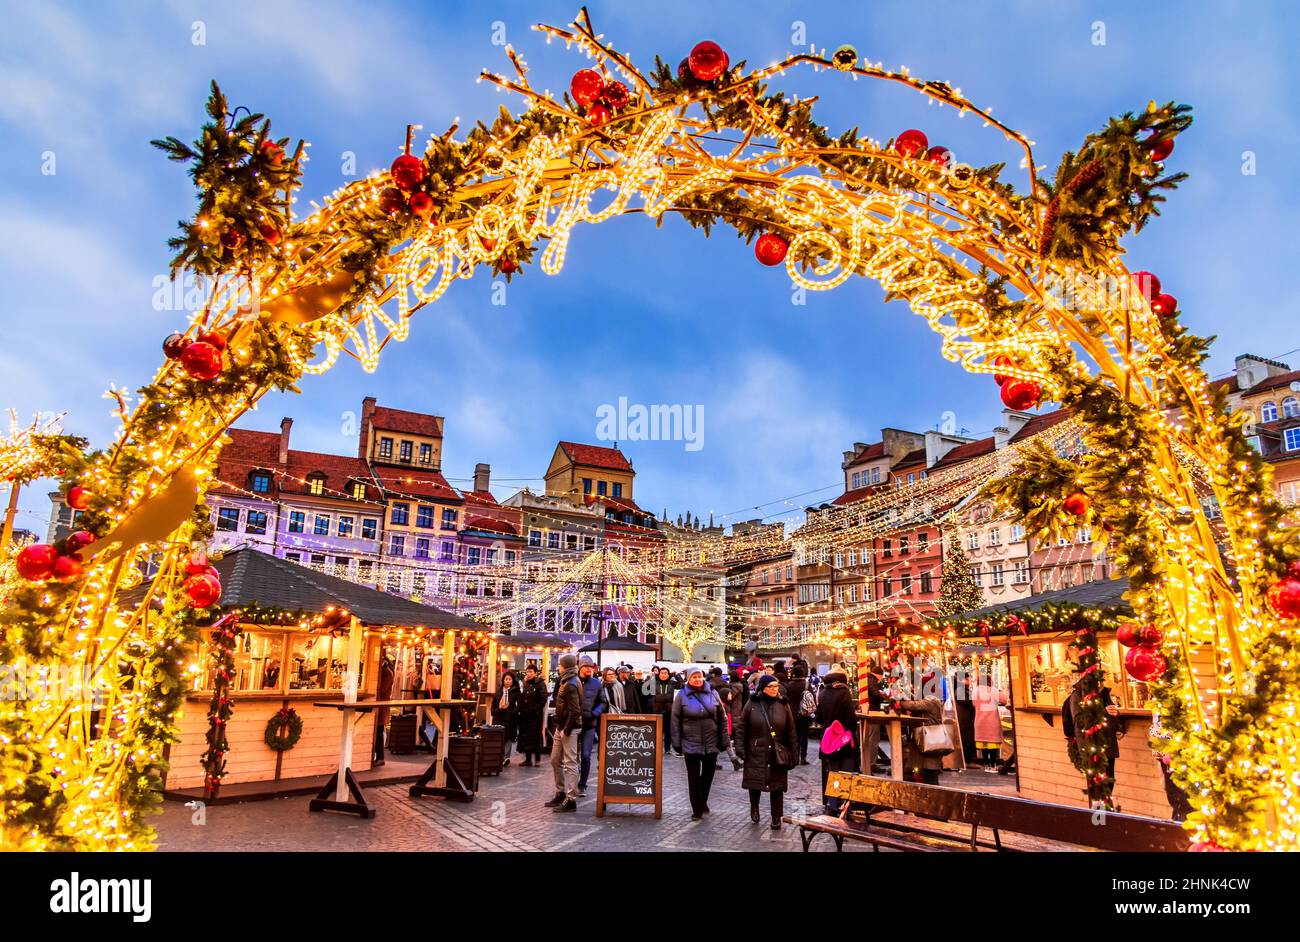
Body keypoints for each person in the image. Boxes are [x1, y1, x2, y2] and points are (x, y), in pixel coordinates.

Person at [737, 674, 798, 830]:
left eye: (776, 686)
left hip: (777, 752)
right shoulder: (753, 703)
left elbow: (791, 730)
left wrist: (794, 753)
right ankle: (754, 807)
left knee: (777, 786)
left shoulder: (783, 704)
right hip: (756, 750)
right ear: (763, 688)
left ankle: (776, 816)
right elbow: (742, 727)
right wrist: (740, 748)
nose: (774, 689)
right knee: (755, 783)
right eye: (770, 686)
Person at [671, 667, 728, 820]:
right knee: (693, 777)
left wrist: (724, 740)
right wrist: (676, 742)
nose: (697, 679)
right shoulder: (681, 695)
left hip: (711, 740)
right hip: (690, 741)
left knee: (708, 775)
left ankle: (702, 800)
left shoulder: (713, 693)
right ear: (688, 679)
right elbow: (675, 720)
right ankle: (697, 807)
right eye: (694, 677)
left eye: (699, 677)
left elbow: (722, 718)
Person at [815, 670, 858, 814]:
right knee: (846, 773)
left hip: (829, 740)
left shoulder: (823, 693)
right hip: (844, 739)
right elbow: (851, 717)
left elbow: (819, 718)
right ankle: (846, 806)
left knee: (834, 773)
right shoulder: (844, 692)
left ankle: (832, 804)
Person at [546, 653, 582, 812]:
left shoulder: (571, 684)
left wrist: (566, 729)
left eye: (560, 664)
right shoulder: (567, 680)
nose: (558, 667)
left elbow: (575, 711)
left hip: (569, 728)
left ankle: (571, 798)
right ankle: (560, 792)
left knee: (570, 762)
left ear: (565, 666)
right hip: (561, 726)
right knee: (555, 759)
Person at [897, 696, 944, 784]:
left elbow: (913, 705)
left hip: (930, 739)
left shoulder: (931, 700)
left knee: (930, 771)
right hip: (925, 738)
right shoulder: (929, 699)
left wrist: (897, 700)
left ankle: (933, 792)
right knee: (924, 770)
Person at [707, 667, 743, 771]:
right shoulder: (725, 685)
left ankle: (732, 760)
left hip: (716, 718)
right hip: (722, 718)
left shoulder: (710, 685)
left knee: (721, 739)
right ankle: (733, 760)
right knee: (723, 739)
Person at [577, 657, 603, 797]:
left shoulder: (596, 683)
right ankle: (570, 784)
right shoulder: (572, 681)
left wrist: (594, 713)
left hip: (589, 724)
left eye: (591, 666)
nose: (588, 669)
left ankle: (582, 785)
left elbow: (602, 702)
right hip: (573, 724)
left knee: (586, 755)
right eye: (586, 666)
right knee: (571, 757)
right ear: (580, 667)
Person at [972, 671, 1008, 766]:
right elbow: (1005, 700)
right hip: (992, 722)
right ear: (989, 681)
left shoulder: (975, 691)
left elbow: (974, 704)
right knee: (992, 744)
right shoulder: (993, 690)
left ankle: (986, 765)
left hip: (979, 721)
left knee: (984, 745)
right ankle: (993, 764)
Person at [516, 665, 548, 767]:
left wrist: (536, 708)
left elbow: (543, 699)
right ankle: (528, 759)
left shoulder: (540, 683)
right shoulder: (525, 684)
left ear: (535, 673)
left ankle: (537, 759)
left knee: (536, 736)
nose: (528, 674)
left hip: (536, 715)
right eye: (527, 672)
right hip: (525, 715)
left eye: (530, 672)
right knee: (526, 736)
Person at [643, 666, 678, 752]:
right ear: (659, 674)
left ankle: (667, 748)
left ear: (668, 674)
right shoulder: (654, 683)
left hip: (669, 710)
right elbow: (644, 689)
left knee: (668, 731)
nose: (663, 675)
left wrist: (677, 675)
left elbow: (681, 685)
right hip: (657, 710)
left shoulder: (672, 683)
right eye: (662, 673)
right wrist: (649, 677)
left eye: (665, 673)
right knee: (657, 730)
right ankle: (656, 748)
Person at [861, 660, 887, 773]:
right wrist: (884, 696)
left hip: (869, 711)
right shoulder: (872, 680)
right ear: (879, 675)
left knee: (870, 738)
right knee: (873, 739)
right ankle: (871, 764)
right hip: (872, 713)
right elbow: (875, 694)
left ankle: (869, 763)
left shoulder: (869, 679)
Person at [492, 670, 520, 765]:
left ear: (512, 681)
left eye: (509, 679)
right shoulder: (499, 692)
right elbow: (493, 706)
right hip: (499, 718)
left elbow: (519, 706)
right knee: (499, 737)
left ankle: (506, 757)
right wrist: (498, 709)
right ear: (503, 680)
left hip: (510, 719)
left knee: (508, 738)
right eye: (506, 679)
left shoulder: (516, 692)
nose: (507, 681)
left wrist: (512, 712)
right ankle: (499, 756)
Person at [787, 666, 814, 765]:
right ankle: (803, 758)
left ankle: (795, 757)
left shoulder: (789, 685)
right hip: (805, 714)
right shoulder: (807, 684)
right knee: (804, 736)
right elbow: (812, 699)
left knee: (795, 737)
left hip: (792, 715)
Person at [953, 673, 977, 766]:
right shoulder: (960, 690)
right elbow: (964, 700)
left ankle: (970, 760)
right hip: (964, 718)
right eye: (967, 679)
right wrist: (974, 699)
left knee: (969, 739)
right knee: (967, 740)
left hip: (967, 717)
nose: (969, 681)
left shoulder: (964, 689)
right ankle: (968, 761)